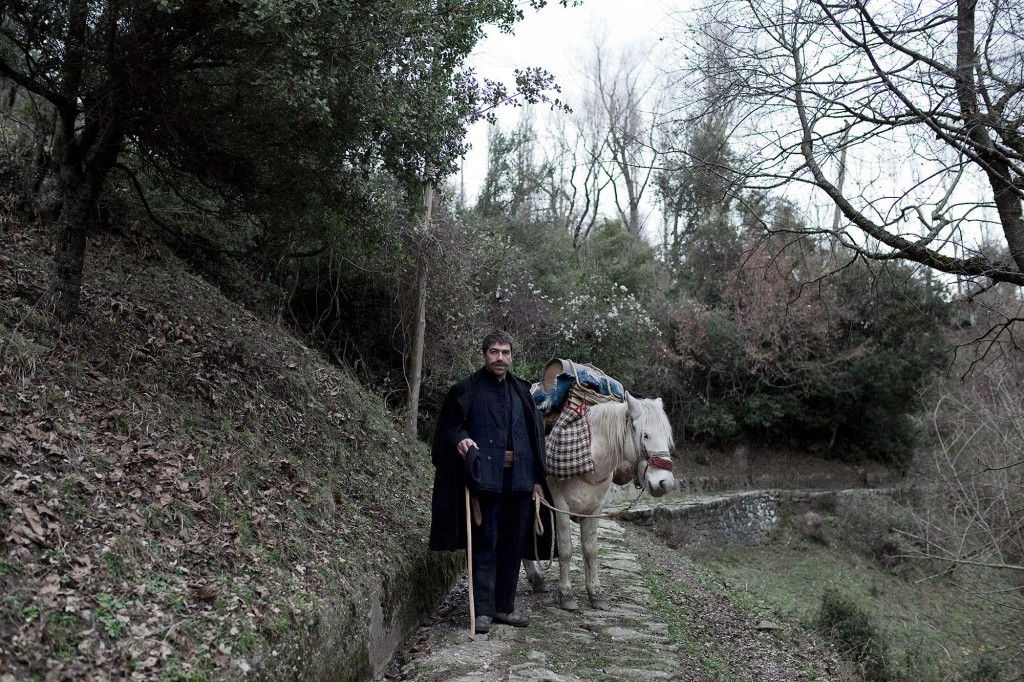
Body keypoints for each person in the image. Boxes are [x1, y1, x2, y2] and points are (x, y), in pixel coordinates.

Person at [428, 330, 548, 635]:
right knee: (485, 543)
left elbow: (535, 439)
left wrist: (536, 480)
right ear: (484, 355)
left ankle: (503, 608)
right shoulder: (466, 390)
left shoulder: (521, 391)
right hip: (485, 480)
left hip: (520, 481)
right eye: (494, 352)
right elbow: (450, 430)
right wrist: (461, 439)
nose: (500, 358)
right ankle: (481, 610)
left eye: (505, 352)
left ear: (511, 356)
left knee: (512, 544)